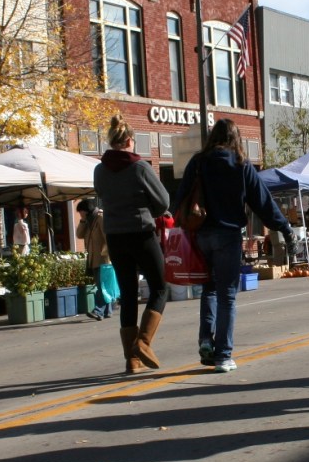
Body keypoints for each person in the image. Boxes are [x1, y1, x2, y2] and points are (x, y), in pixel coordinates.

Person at [174, 119, 293, 373]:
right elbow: (262, 202)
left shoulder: (198, 162)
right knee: (227, 295)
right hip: (228, 236)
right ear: (236, 139)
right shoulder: (241, 164)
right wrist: (283, 226)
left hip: (202, 235)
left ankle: (206, 339)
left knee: (209, 290)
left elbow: (181, 197)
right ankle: (223, 355)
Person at [94, 115, 171, 373]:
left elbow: (102, 197)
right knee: (159, 287)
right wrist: (147, 208)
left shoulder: (99, 170)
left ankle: (132, 360)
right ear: (129, 140)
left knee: (127, 293)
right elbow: (163, 202)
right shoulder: (140, 167)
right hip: (141, 233)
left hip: (115, 237)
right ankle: (143, 343)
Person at [76, 199, 112, 320]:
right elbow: (79, 235)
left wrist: (107, 256)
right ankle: (108, 310)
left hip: (103, 259)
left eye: (80, 212)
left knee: (102, 286)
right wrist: (82, 221)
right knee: (102, 285)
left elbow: (108, 238)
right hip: (93, 259)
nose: (80, 214)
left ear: (86, 211)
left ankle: (98, 311)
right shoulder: (88, 221)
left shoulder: (100, 218)